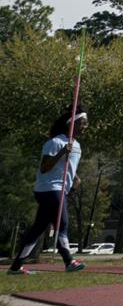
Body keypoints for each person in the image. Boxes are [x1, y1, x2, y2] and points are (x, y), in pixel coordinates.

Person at [8, 111, 89, 275]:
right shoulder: (55, 142)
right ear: (71, 124)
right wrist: (61, 153)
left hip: (59, 190)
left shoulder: (77, 145)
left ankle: (16, 267)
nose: (85, 127)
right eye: (83, 123)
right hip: (50, 189)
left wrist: (75, 179)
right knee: (63, 224)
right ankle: (69, 261)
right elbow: (45, 168)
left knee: (37, 229)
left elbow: (66, 166)